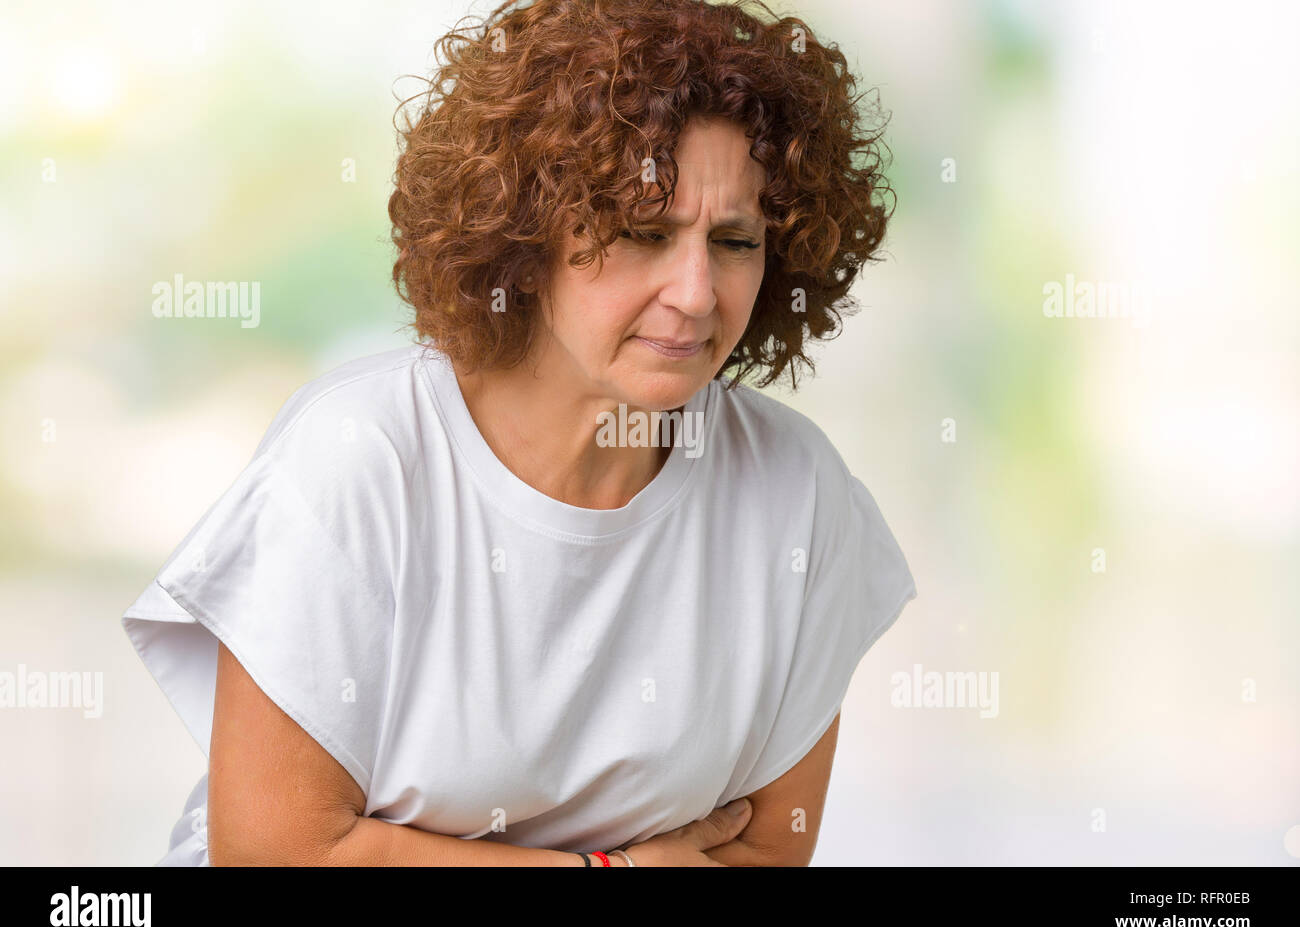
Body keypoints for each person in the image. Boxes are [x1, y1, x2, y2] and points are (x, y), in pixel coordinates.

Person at [121, 0, 915, 866]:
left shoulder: (797, 492)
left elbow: (765, 853)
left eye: (733, 241)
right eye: (645, 233)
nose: (695, 293)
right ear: (528, 231)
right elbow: (277, 857)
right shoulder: (361, 459)